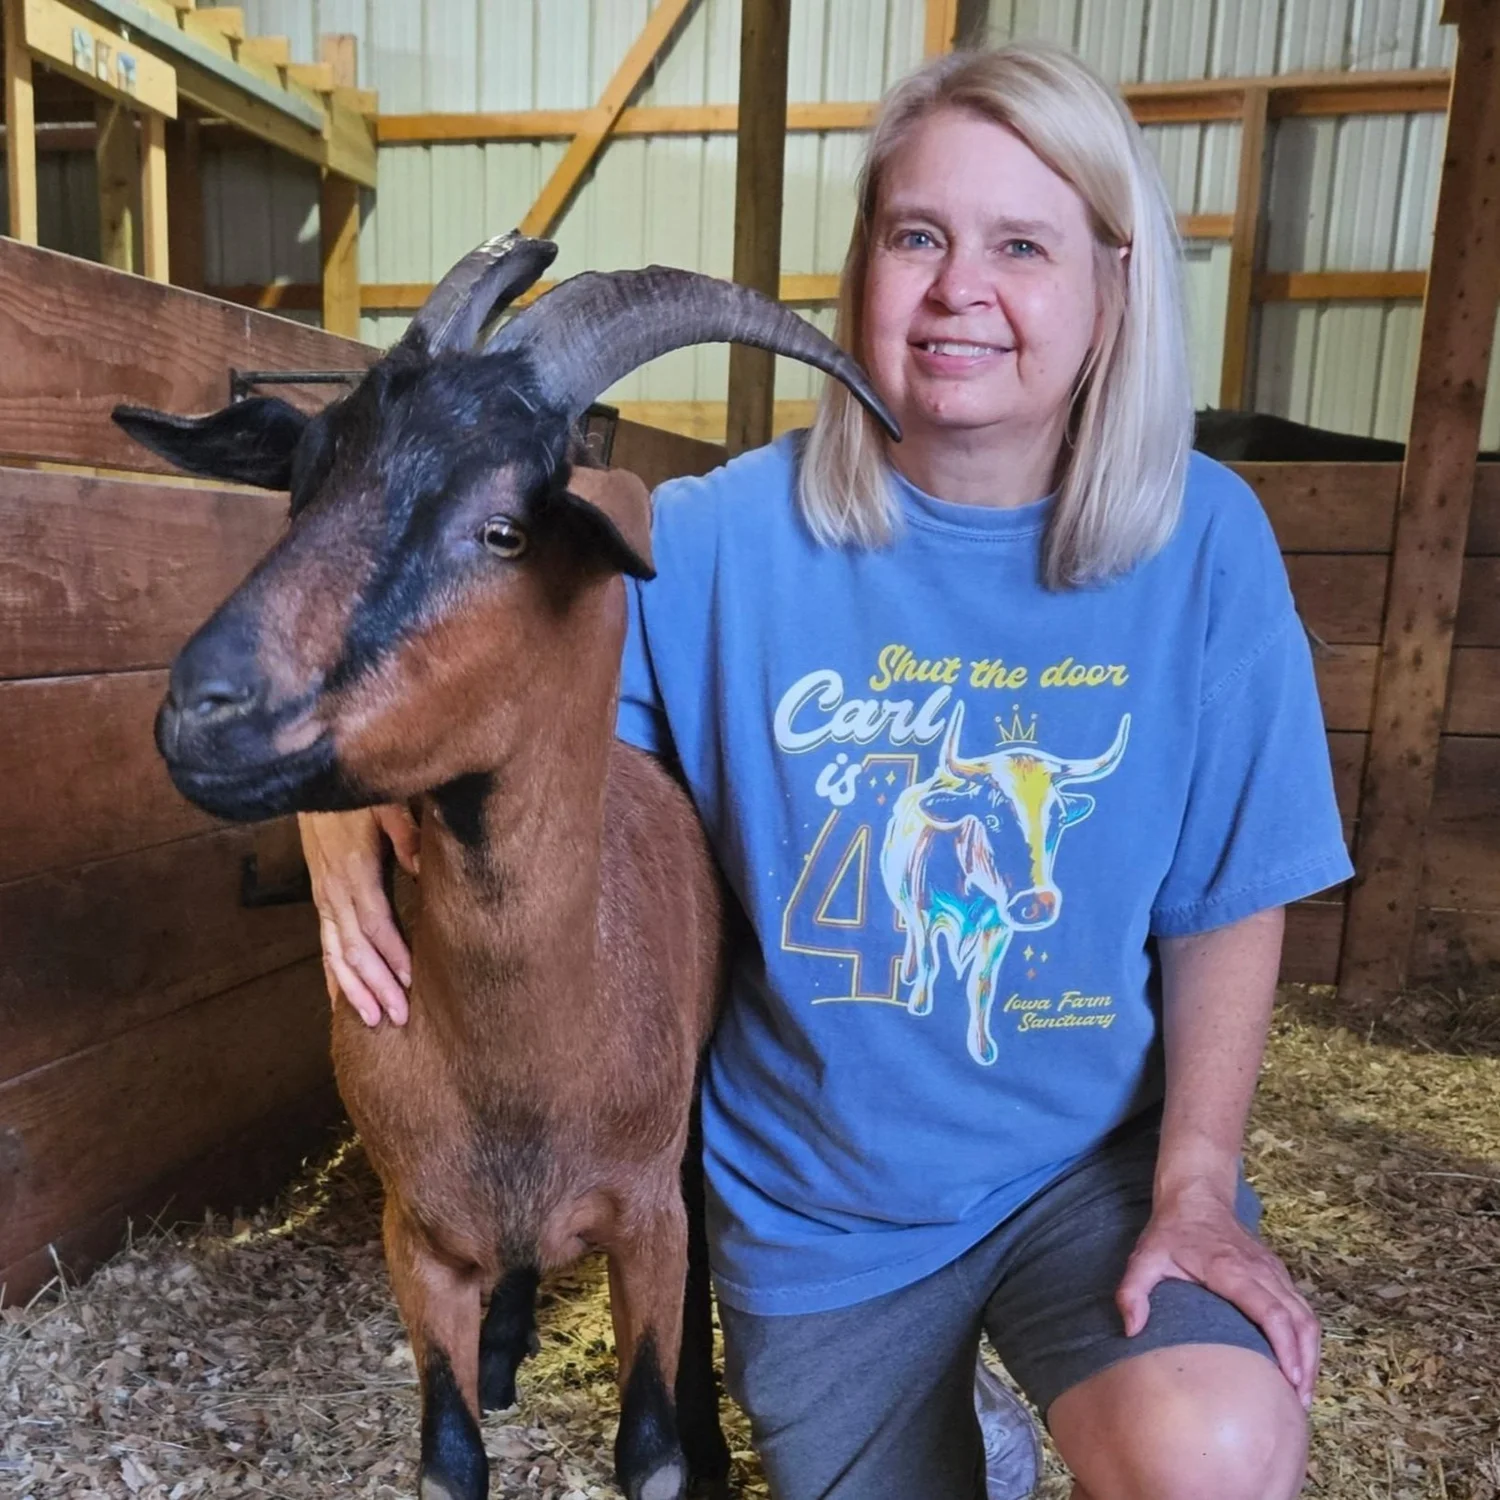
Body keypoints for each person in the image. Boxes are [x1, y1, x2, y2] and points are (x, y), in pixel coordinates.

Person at [299, 42, 1352, 1500]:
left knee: (1212, 1452)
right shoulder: (717, 541)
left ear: (1115, 286)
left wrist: (1193, 1189)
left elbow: (1228, 891)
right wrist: (342, 796)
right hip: (821, 1213)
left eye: (1024, 246)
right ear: (861, 267)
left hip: (1089, 1175)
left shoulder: (1204, 543)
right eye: (917, 235)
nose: (957, 287)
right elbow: (487, 693)